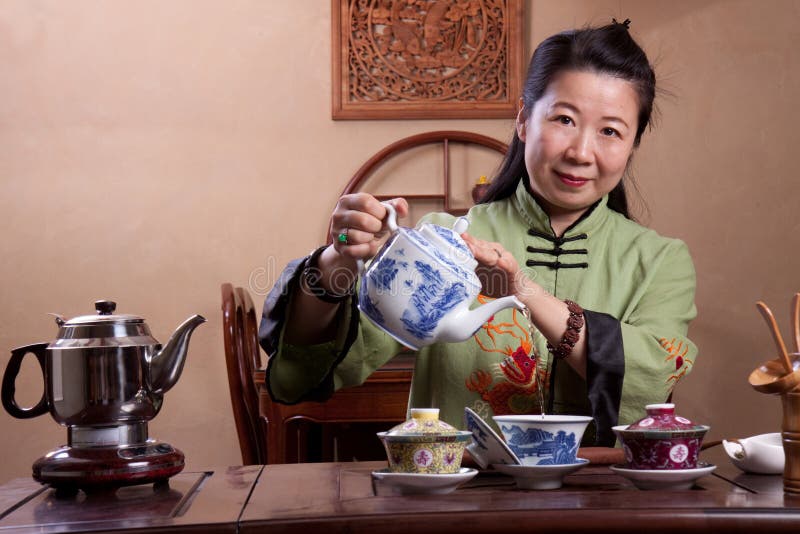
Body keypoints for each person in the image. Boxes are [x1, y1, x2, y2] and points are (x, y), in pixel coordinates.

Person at [259, 20, 697, 446]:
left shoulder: (658, 261)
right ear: (524, 120)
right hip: (456, 503)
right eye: (564, 120)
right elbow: (306, 376)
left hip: (603, 509)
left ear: (633, 144)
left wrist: (523, 291)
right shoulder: (443, 242)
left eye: (610, 131)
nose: (581, 152)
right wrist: (338, 261)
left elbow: (651, 387)